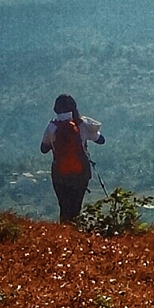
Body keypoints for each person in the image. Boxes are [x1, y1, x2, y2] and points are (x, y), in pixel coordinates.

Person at [41, 93, 105, 224]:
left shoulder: (52, 127)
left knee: (64, 207)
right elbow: (101, 140)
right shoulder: (81, 125)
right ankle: (75, 234)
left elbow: (43, 149)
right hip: (80, 173)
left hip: (60, 173)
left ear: (56, 109)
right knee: (76, 207)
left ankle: (63, 235)